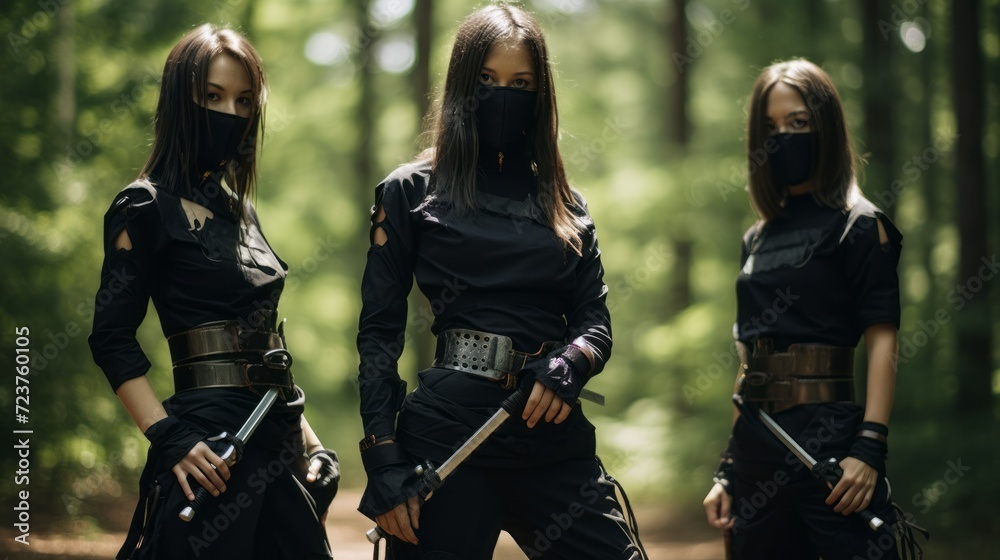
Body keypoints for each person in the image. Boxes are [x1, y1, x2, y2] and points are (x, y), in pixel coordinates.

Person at [355, 5, 645, 560]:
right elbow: (378, 336)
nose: (503, 95)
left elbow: (595, 321)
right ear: (462, 85)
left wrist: (572, 362)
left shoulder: (567, 204)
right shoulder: (409, 191)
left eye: (522, 84)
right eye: (486, 81)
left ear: (542, 96)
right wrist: (383, 456)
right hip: (446, 437)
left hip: (553, 439)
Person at [89, 24, 338, 559]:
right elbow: (110, 338)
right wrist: (168, 437)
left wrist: (313, 448)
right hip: (208, 451)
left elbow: (263, 349)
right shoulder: (144, 206)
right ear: (182, 101)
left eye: (244, 100)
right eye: (213, 96)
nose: (230, 112)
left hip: (277, 438)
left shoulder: (240, 211)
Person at [702, 59, 913, 559]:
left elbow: (883, 338)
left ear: (826, 125)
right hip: (756, 449)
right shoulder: (755, 238)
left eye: (797, 122)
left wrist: (870, 447)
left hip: (832, 448)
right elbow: (748, 362)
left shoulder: (861, 225)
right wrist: (729, 468)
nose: (783, 137)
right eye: (770, 127)